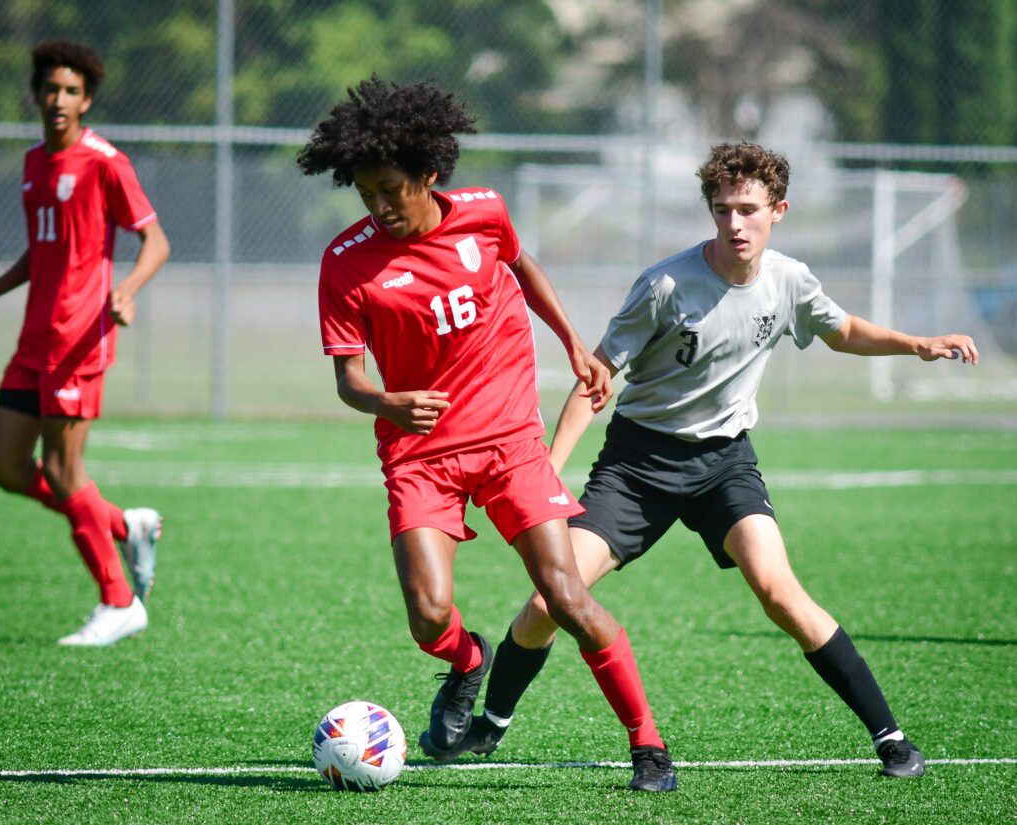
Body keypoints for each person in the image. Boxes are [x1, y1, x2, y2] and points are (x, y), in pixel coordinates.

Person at [440, 141, 979, 779]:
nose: (735, 224)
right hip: (637, 464)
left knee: (781, 593)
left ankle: (891, 739)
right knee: (548, 602)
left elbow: (842, 331)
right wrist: (549, 468)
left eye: (749, 210)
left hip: (725, 463)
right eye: (723, 210)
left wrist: (916, 344)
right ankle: (490, 726)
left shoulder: (789, 279)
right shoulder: (666, 284)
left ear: (778, 210)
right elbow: (596, 378)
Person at [297, 75, 677, 791]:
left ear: (428, 175)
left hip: (508, 440)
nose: (378, 206)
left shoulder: (483, 213)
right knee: (428, 613)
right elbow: (349, 379)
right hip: (418, 453)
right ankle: (469, 661)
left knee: (565, 595)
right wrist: (386, 403)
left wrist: (572, 343)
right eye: (365, 193)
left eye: (390, 189)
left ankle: (648, 745)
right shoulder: (346, 264)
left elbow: (522, 266)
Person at [0, 39, 170, 647]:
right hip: (34, 338)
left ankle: (119, 601)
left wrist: (125, 290)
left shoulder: (104, 161)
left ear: (87, 99)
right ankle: (124, 526)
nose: (59, 100)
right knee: (2, 466)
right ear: (37, 94)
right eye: (50, 89)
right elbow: (42, 249)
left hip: (80, 337)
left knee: (60, 467)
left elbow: (155, 242)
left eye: (71, 91)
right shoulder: (34, 163)